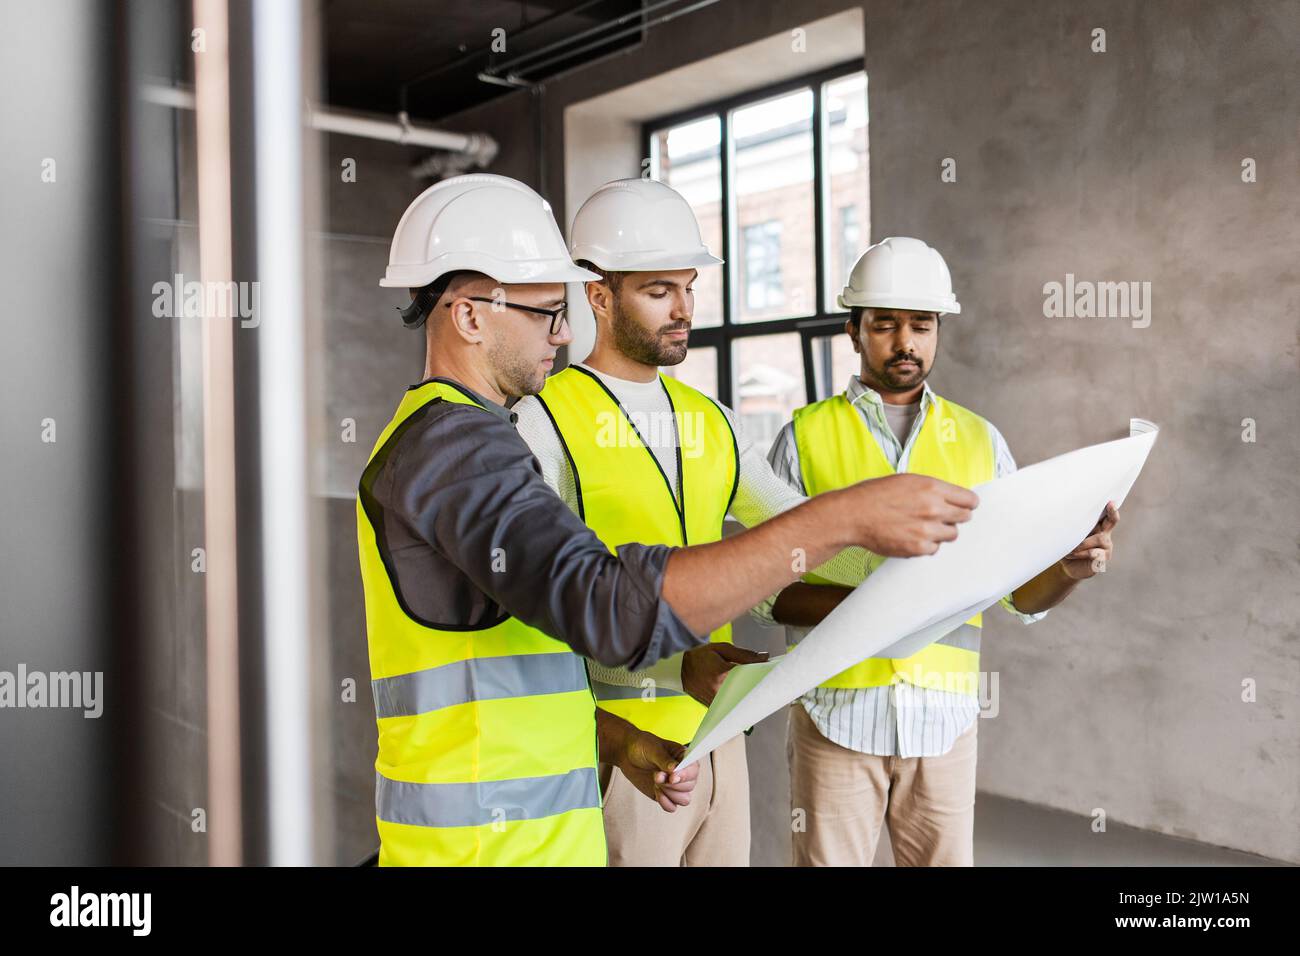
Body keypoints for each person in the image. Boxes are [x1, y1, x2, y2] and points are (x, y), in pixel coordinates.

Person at [359, 177, 979, 866]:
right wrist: (847, 515)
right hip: (484, 846)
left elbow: (526, 654)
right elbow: (603, 604)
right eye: (543, 312)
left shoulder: (495, 437)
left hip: (585, 803)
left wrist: (619, 731)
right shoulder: (464, 448)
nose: (562, 333)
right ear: (470, 317)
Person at [514, 178, 870, 866]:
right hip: (621, 746)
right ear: (598, 295)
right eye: (658, 290)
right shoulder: (543, 422)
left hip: (717, 736)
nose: (684, 309)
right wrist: (606, 733)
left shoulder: (714, 422)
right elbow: (523, 609)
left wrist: (933, 551)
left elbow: (807, 537)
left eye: (688, 286)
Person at [762, 236, 1120, 867]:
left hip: (944, 725)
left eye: (922, 326)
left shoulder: (982, 442)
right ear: (853, 330)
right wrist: (880, 606)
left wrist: (1067, 570)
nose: (907, 343)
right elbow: (769, 592)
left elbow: (1018, 595)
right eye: (886, 325)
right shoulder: (804, 438)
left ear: (938, 330)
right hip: (834, 716)